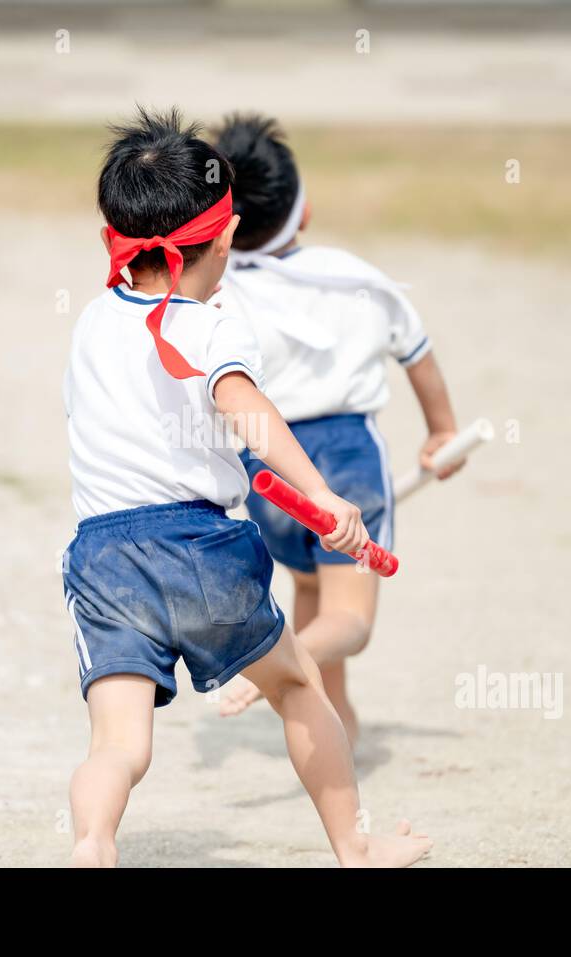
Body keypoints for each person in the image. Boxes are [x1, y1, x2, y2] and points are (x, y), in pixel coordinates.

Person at [61, 107, 430, 867]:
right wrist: (324, 497)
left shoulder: (92, 322)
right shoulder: (216, 323)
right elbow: (246, 409)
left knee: (119, 742)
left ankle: (93, 841)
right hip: (199, 546)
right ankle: (355, 846)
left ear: (115, 236)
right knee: (298, 685)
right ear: (225, 239)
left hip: (102, 558)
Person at [213, 113, 462, 745]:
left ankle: (334, 733)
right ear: (307, 210)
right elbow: (418, 353)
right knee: (349, 618)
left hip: (269, 474)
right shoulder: (355, 278)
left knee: (309, 589)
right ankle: (275, 653)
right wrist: (442, 431)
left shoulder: (223, 295)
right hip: (346, 454)